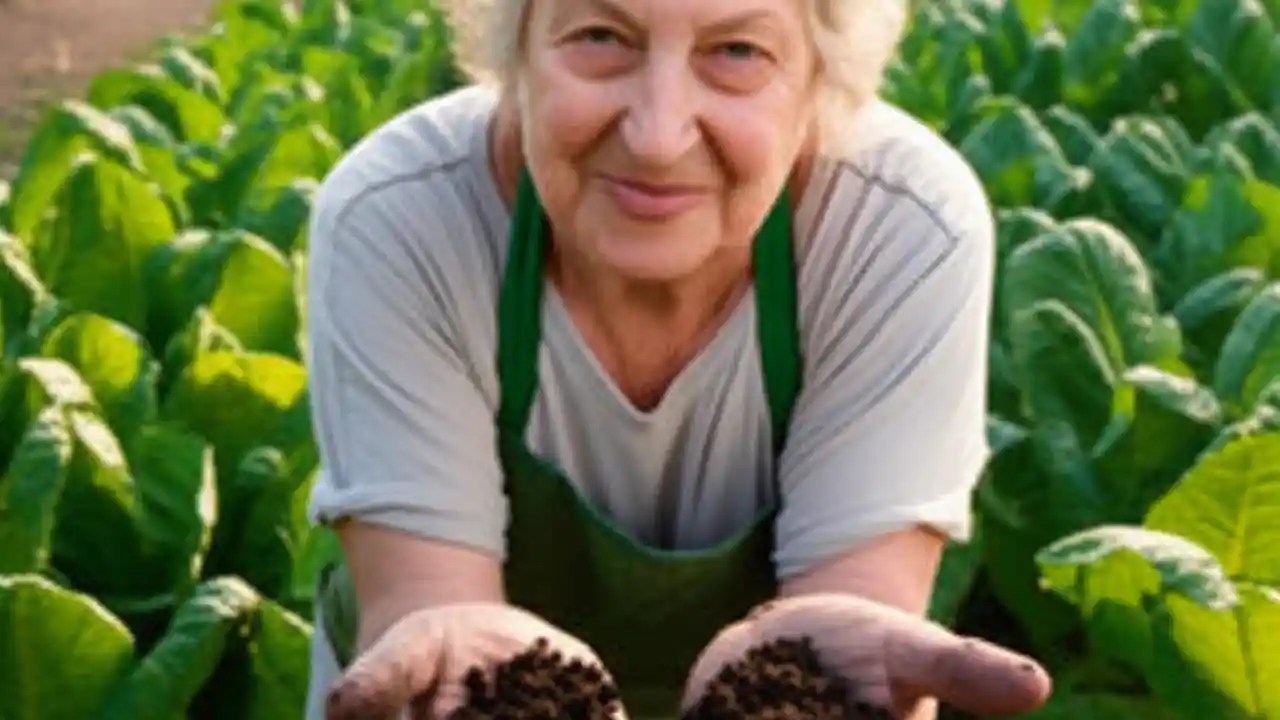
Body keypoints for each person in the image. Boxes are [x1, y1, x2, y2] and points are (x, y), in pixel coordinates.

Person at [302, 0, 1055, 718]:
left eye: (737, 52)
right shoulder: (399, 216)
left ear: (821, 80)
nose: (659, 137)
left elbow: (854, 609)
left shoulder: (898, 225)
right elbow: (428, 599)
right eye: (600, 36)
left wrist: (816, 681)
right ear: (515, 52)